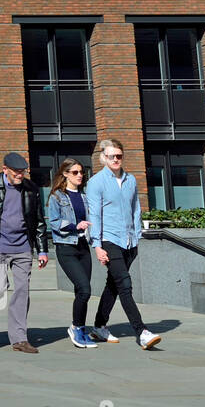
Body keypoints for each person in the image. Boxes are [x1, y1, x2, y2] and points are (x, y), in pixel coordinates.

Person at [86, 139, 161, 349]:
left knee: (114, 284)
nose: (116, 159)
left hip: (129, 241)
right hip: (109, 239)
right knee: (125, 285)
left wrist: (137, 235)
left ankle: (99, 326)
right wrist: (97, 245)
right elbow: (95, 216)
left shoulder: (130, 180)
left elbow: (136, 208)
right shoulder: (96, 182)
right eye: (111, 156)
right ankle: (142, 332)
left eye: (119, 156)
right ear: (103, 157)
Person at [0, 152, 49, 353]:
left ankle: (19, 338)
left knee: (22, 290)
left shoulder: (31, 188)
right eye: (16, 171)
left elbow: (39, 220)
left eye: (22, 171)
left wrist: (42, 251)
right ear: (4, 169)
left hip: (23, 247)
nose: (20, 175)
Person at [46, 158, 96, 348]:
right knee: (85, 288)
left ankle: (81, 329)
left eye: (81, 172)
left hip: (83, 247)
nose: (80, 176)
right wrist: (75, 226)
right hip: (66, 247)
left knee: (82, 292)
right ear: (65, 174)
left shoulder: (84, 197)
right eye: (75, 172)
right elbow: (54, 222)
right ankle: (76, 328)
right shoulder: (57, 196)